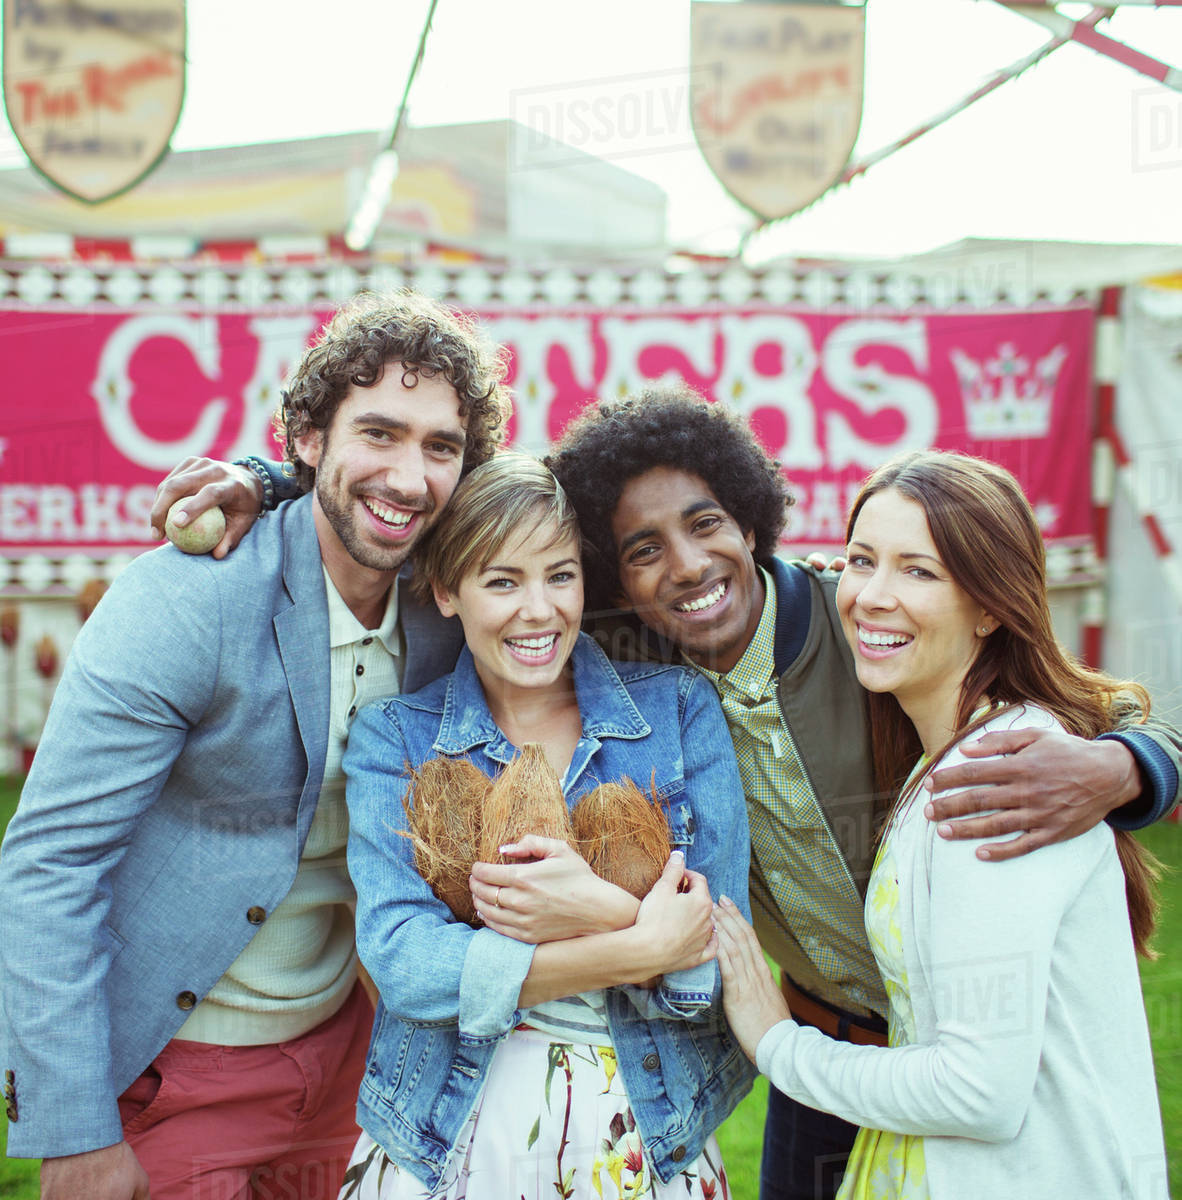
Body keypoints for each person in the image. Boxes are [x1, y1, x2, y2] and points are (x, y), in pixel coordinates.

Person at [162, 387, 1182, 1200]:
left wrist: (1130, 766)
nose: (686, 567)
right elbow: (457, 534)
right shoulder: (597, 648)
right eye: (642, 551)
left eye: (706, 526)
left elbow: (1064, 691)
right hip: (819, 1047)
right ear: (616, 578)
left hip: (930, 1045)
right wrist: (274, 481)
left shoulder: (865, 626)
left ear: (755, 522)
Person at [0, 290, 510, 1200]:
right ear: (310, 437)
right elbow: (49, 863)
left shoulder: (449, 605)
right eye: (379, 433)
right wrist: (75, 1129)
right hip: (173, 1069)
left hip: (351, 1055)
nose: (408, 475)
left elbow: (575, 541)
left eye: (442, 448)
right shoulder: (186, 600)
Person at [712, 448, 1167, 1199]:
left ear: (991, 605)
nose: (871, 596)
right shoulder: (949, 749)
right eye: (862, 561)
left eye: (918, 571)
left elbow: (976, 1091)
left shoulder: (1002, 778)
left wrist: (777, 1044)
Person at [336, 453, 753, 1199]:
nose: (540, 610)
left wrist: (598, 908)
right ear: (446, 591)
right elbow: (404, 963)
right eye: (503, 580)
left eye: (559, 575)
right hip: (449, 1129)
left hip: (645, 1132)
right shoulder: (393, 738)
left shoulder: (678, 711)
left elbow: (720, 964)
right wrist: (641, 943)